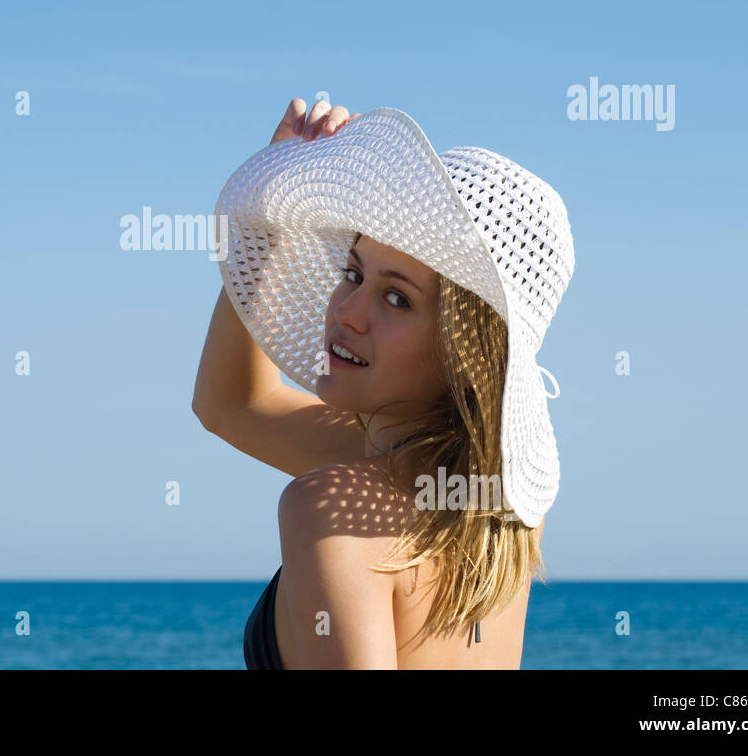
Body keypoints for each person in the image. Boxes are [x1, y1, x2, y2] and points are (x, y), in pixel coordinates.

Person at [192, 98, 576, 668]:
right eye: (354, 273)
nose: (345, 309)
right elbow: (233, 404)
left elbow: (230, 407)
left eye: (397, 297)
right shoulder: (506, 511)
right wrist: (267, 224)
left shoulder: (332, 506)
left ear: (462, 353)